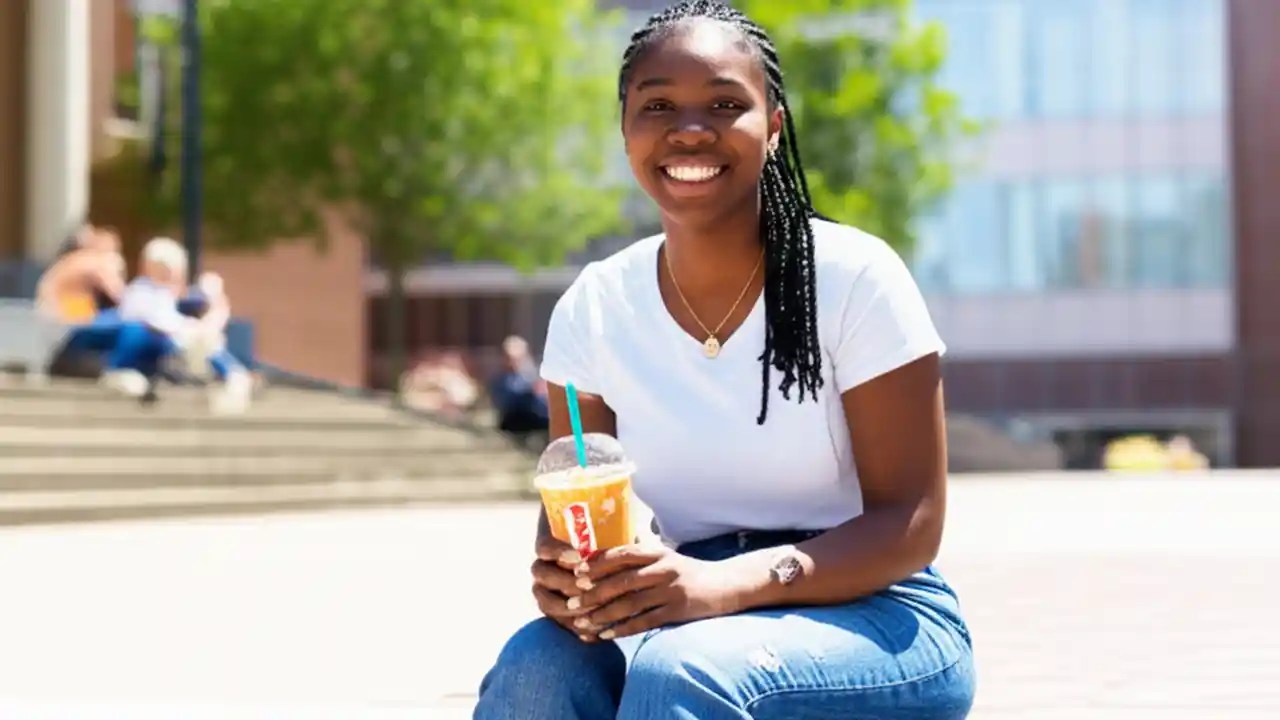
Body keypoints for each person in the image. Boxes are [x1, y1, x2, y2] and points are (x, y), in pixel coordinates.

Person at [473, 3, 974, 719]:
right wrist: (570, 577)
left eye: (724, 103)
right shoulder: (594, 307)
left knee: (683, 672)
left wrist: (723, 588)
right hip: (684, 602)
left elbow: (912, 523)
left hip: (880, 613)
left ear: (773, 128)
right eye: (658, 105)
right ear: (625, 131)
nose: (689, 128)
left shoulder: (855, 277)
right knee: (535, 669)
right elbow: (574, 508)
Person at [100, 237, 252, 414]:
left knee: (202, 342)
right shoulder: (140, 292)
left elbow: (180, 320)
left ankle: (232, 374)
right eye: (167, 269)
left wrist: (212, 305)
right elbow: (155, 321)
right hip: (141, 349)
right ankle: (122, 373)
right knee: (141, 332)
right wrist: (188, 330)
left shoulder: (167, 295)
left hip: (163, 351)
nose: (172, 275)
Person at [34, 225, 126, 323]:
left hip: (47, 314)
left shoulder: (68, 261)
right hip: (64, 319)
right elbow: (118, 294)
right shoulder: (91, 261)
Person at [489, 335, 550, 443]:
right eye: (511, 358)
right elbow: (505, 402)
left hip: (538, 417)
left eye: (518, 358)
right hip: (515, 419)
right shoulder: (501, 380)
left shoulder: (534, 374)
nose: (514, 362)